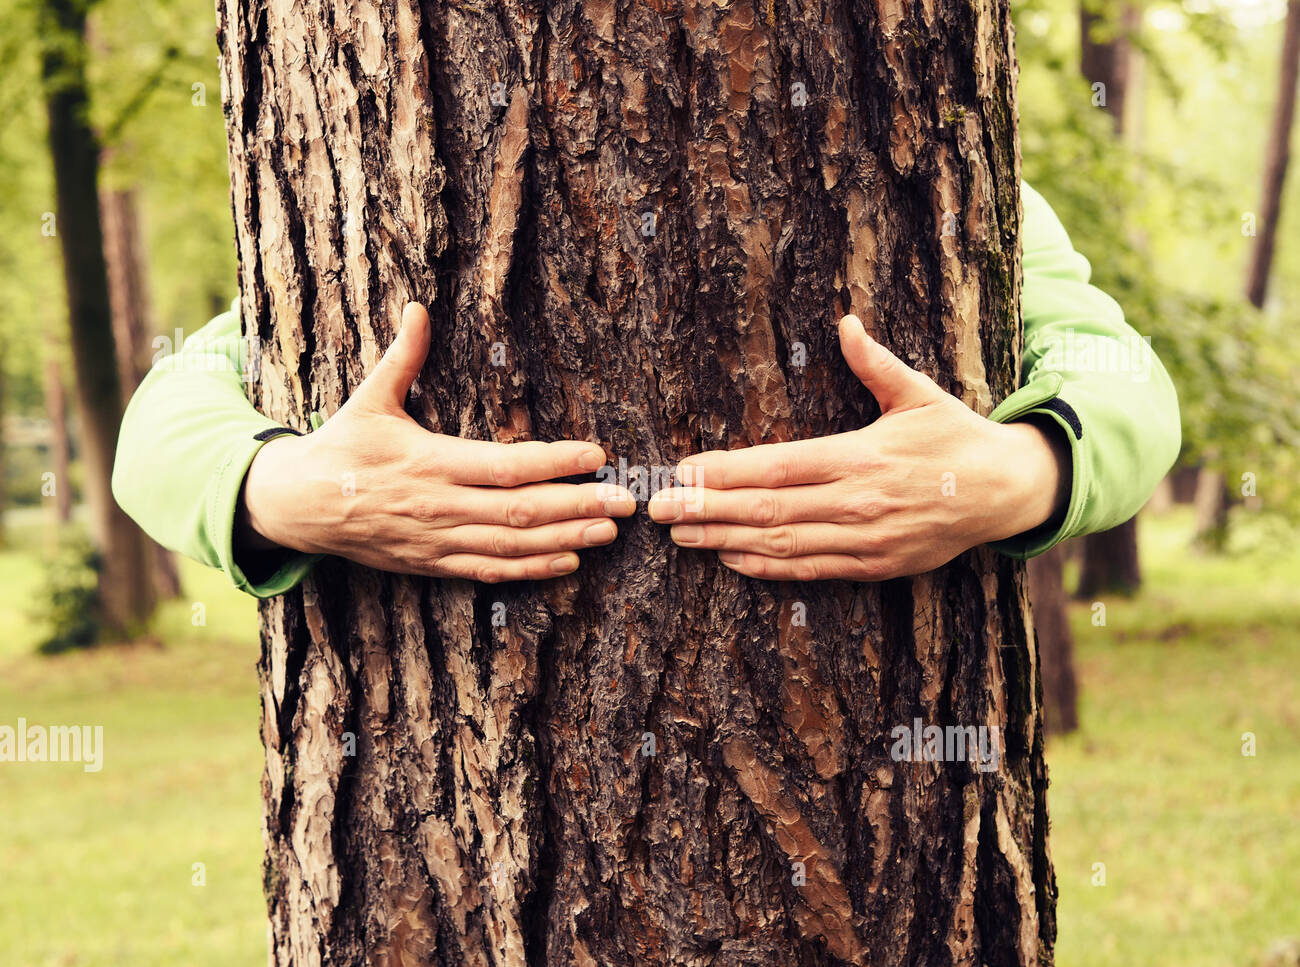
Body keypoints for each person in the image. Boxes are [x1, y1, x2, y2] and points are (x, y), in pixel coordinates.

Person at [111, 183, 1180, 594]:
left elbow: (1122, 376)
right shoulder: (362, 192)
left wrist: (1022, 469)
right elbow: (170, 410)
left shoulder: (964, 180)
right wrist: (281, 490)